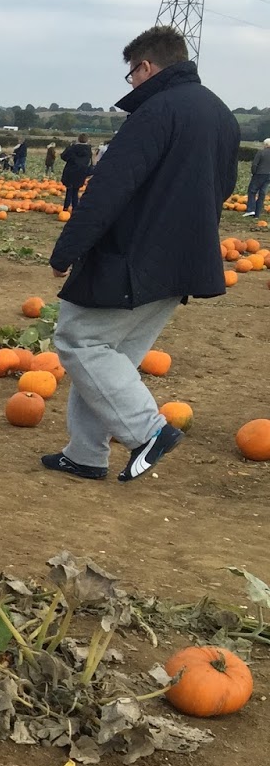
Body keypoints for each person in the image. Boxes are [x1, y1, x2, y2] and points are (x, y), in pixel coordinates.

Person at [42, 24, 239, 484]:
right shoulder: (220, 114)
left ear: (146, 67)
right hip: (186, 258)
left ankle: (148, 431)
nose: (130, 84)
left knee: (80, 340)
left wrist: (66, 251)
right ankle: (85, 453)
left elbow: (109, 189)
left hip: (134, 255)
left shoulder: (155, 111)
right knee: (113, 356)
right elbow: (224, 187)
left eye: (131, 74)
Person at [59, 134, 93, 210]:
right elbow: (89, 162)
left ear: (78, 139)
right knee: (75, 191)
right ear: (87, 140)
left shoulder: (72, 148)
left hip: (70, 172)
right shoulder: (88, 150)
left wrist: (69, 147)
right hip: (81, 173)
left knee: (69, 191)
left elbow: (64, 156)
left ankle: (65, 208)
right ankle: (75, 209)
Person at [247, 137, 270, 217]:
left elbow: (254, 164)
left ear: (266, 145)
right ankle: (257, 214)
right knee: (262, 193)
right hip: (269, 176)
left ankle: (251, 210)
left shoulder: (261, 152)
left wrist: (253, 173)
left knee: (252, 191)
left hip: (259, 174)